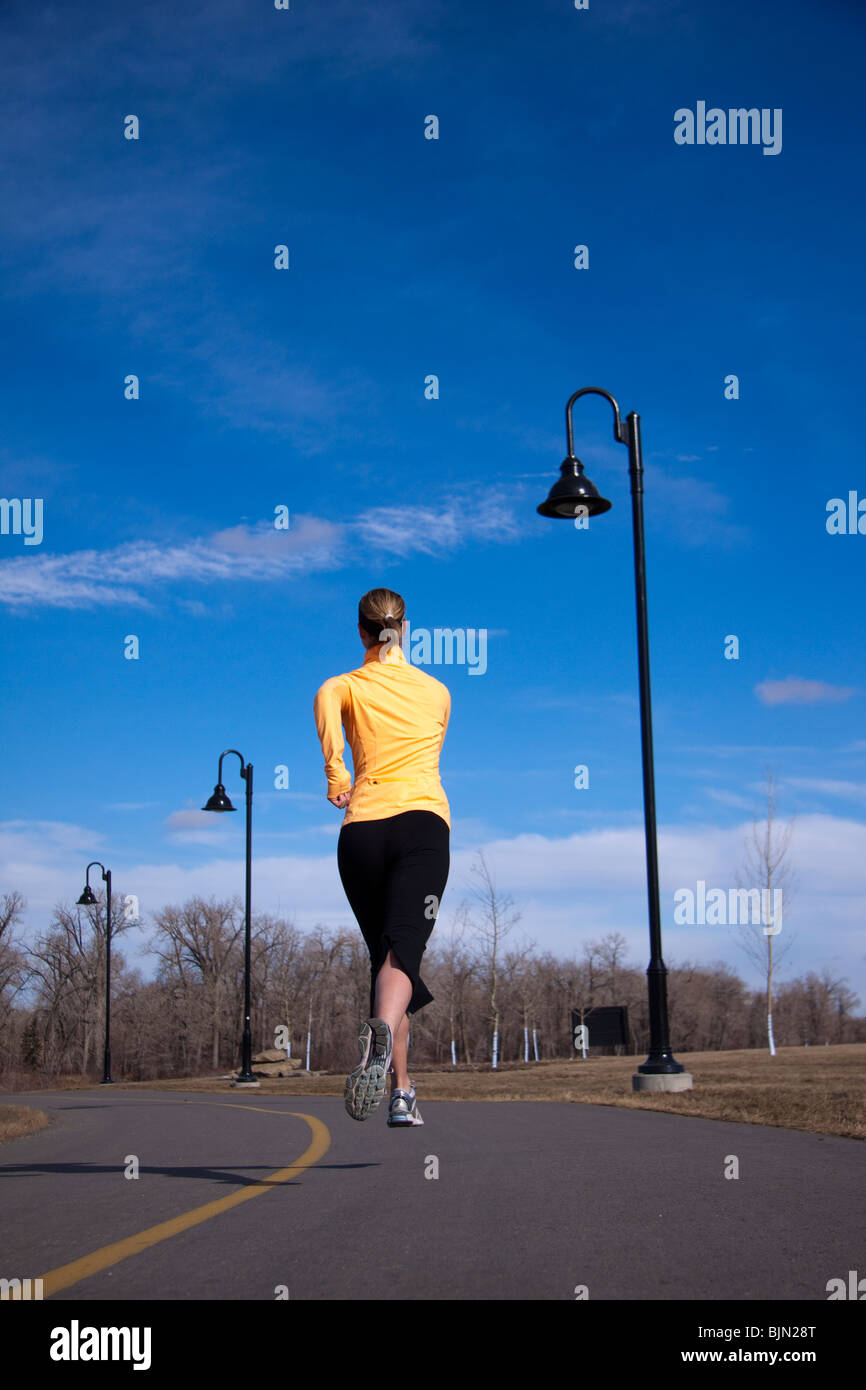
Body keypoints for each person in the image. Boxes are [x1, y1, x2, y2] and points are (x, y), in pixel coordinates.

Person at [313, 588, 451, 1126]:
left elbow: (333, 754)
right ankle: (385, 1057)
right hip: (422, 825)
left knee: (389, 964)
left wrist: (339, 782)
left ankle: (402, 1092)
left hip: (362, 834)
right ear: (406, 628)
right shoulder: (437, 691)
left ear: (360, 632)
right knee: (402, 956)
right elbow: (430, 751)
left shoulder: (338, 687)